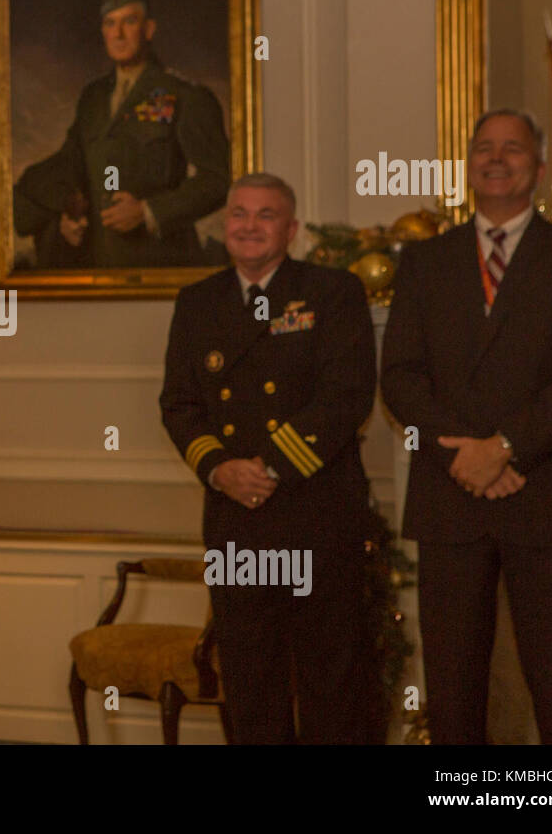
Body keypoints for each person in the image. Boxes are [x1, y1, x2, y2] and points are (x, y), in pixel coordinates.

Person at [381, 109, 552, 745]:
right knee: (454, 691)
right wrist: (468, 456)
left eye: (512, 149)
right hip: (450, 497)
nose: (496, 157)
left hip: (549, 498)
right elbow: (399, 377)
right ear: (470, 165)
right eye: (484, 147)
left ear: (537, 169)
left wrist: (505, 449)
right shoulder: (425, 262)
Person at [159, 173, 375, 743]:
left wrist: (269, 467)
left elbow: (346, 395)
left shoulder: (332, 292)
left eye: (265, 214)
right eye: (238, 214)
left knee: (332, 679)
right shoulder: (197, 301)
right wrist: (220, 469)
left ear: (292, 229)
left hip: (317, 513)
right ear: (224, 224)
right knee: (251, 681)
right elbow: (179, 405)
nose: (249, 226)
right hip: (236, 518)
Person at [13, 0, 231, 269]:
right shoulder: (92, 97)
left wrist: (148, 211)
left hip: (161, 264)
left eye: (129, 21)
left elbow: (219, 179)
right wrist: (66, 215)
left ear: (149, 29)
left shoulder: (185, 95)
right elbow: (71, 164)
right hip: (97, 261)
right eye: (110, 23)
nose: (118, 34)